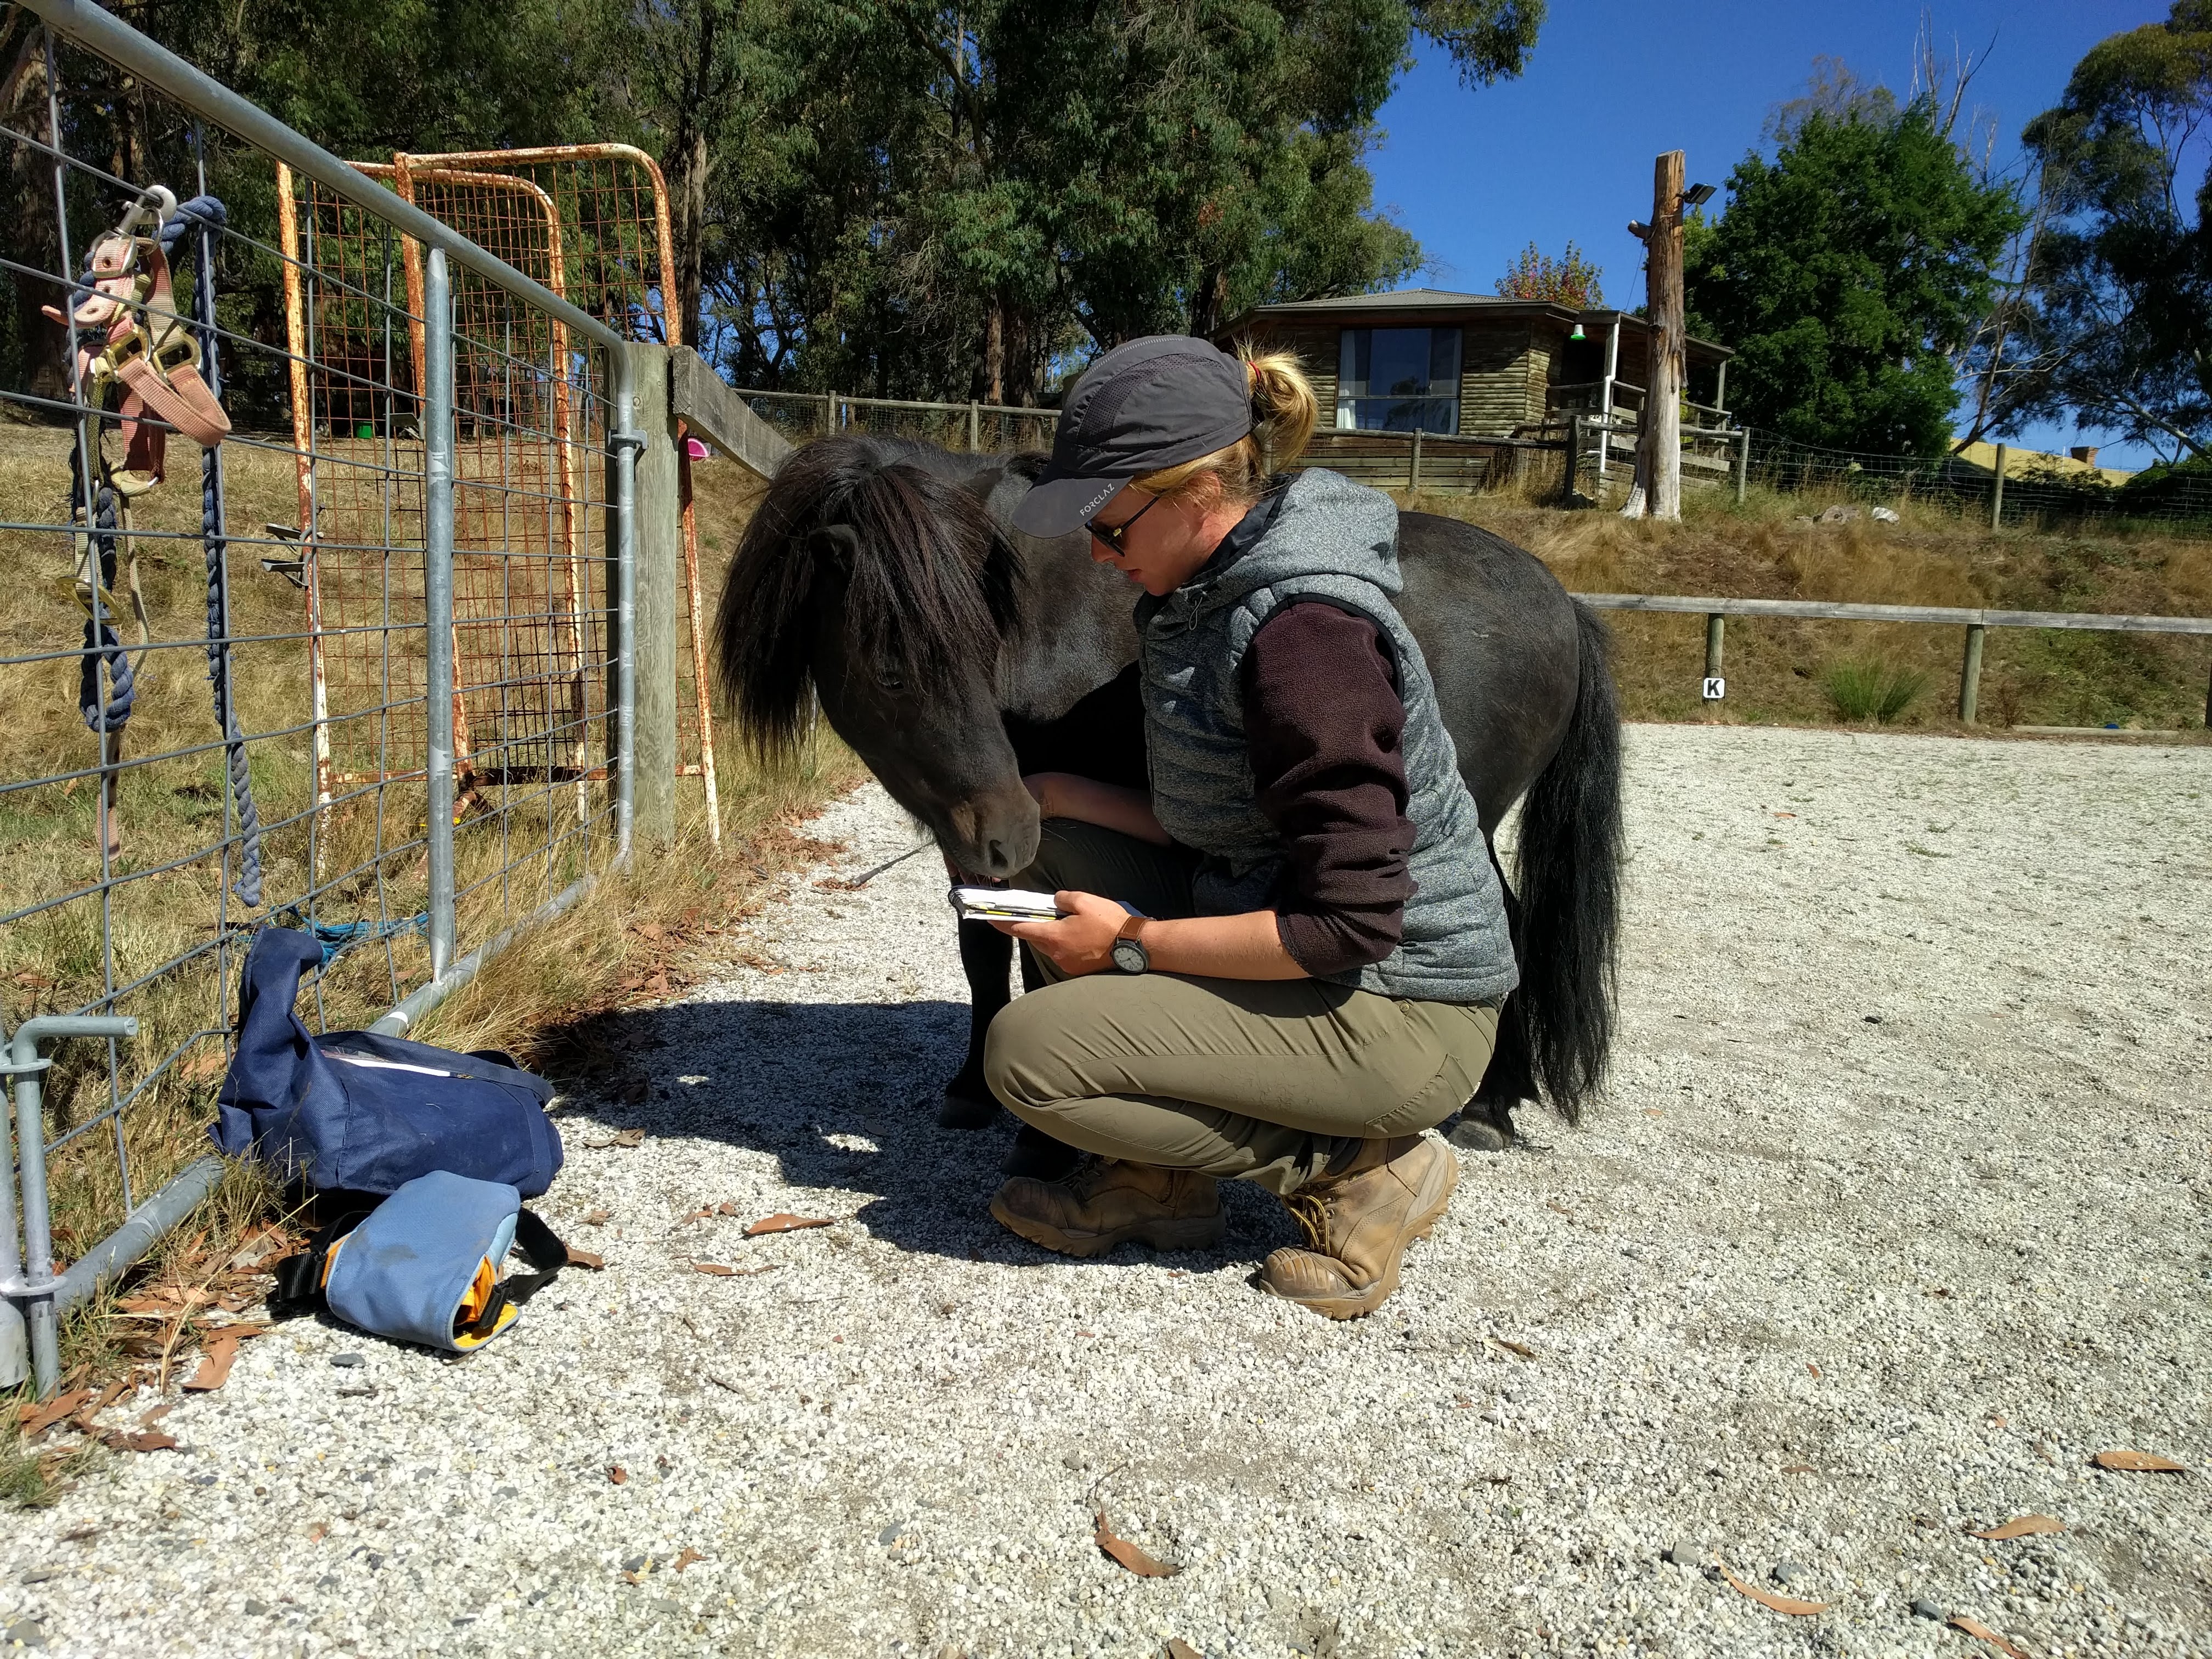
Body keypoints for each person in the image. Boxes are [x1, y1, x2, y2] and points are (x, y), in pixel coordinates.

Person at [979, 335, 1517, 1320]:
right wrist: (1051, 792)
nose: (1099, 553)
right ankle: (1159, 1182)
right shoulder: (1203, 591)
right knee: (1048, 845)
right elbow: (1227, 817)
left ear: (1190, 491)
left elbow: (1351, 923)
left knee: (1029, 1057)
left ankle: (1359, 1168)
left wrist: (1134, 948)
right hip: (1296, 931)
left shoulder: (1304, 636)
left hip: (1403, 1003)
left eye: (1108, 522)